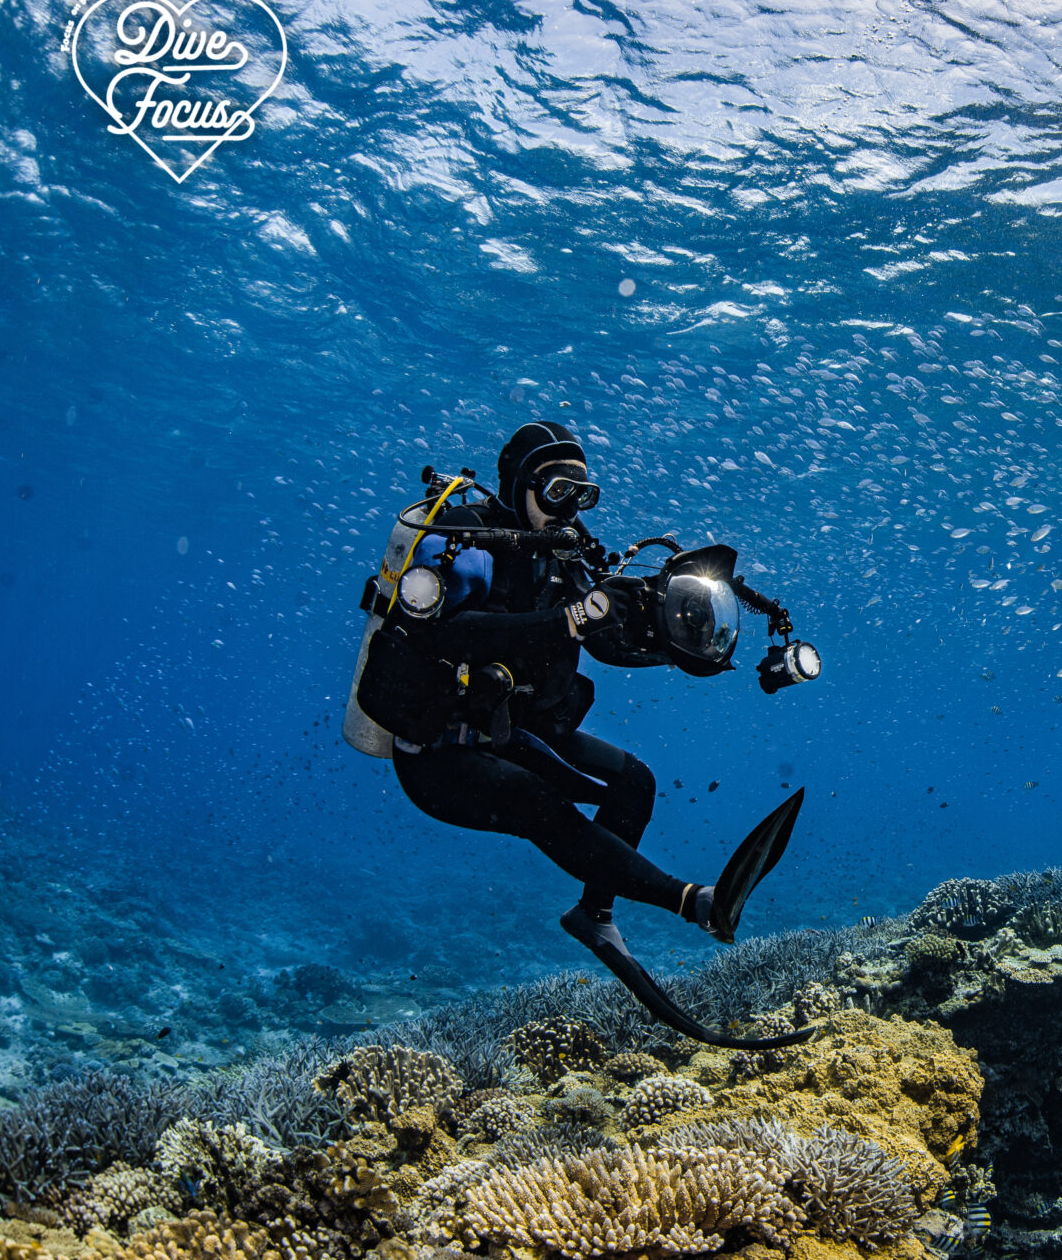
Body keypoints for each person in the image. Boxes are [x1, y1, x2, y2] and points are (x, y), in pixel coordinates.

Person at [347, 422, 813, 1046]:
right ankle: (694, 902)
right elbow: (445, 634)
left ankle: (594, 914)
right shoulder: (462, 542)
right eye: (556, 487)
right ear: (519, 484)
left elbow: (602, 639)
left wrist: (670, 629)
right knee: (539, 805)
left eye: (582, 491)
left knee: (633, 782)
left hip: (514, 728)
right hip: (437, 749)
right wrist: (570, 617)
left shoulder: (562, 553)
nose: (569, 506)